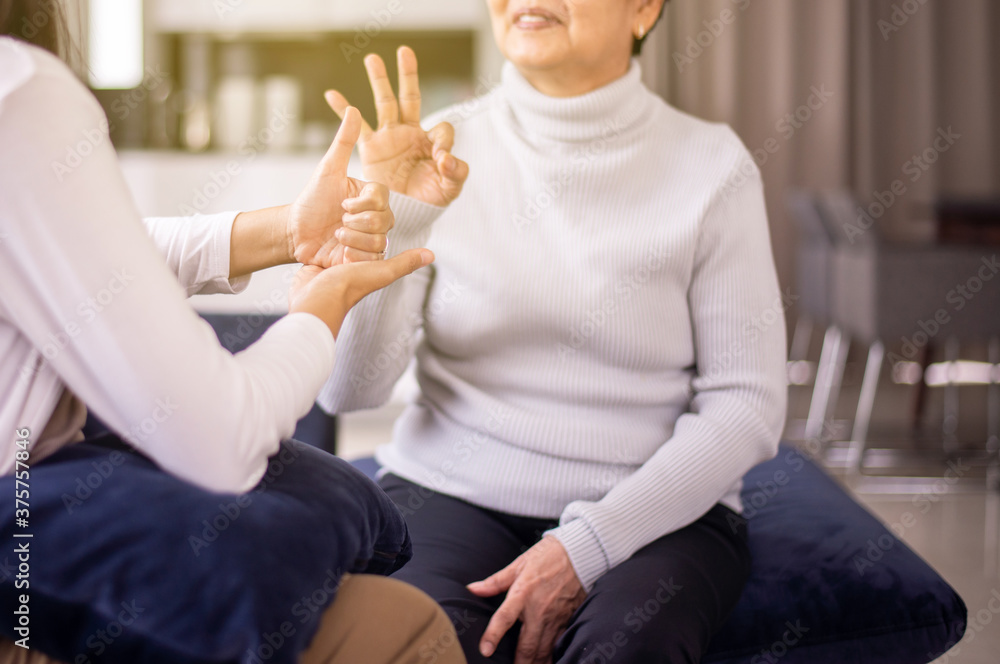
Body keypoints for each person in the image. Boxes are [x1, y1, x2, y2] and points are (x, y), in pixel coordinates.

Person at [317, 0, 788, 662]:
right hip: (449, 488)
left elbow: (748, 405)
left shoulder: (714, 166)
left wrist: (589, 543)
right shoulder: (431, 152)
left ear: (644, 10)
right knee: (415, 647)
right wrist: (395, 224)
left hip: (655, 502)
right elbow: (350, 393)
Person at [0, 1, 467, 662]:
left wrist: (286, 231)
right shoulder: (19, 90)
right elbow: (221, 443)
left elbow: (57, 243)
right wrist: (315, 314)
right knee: (400, 620)